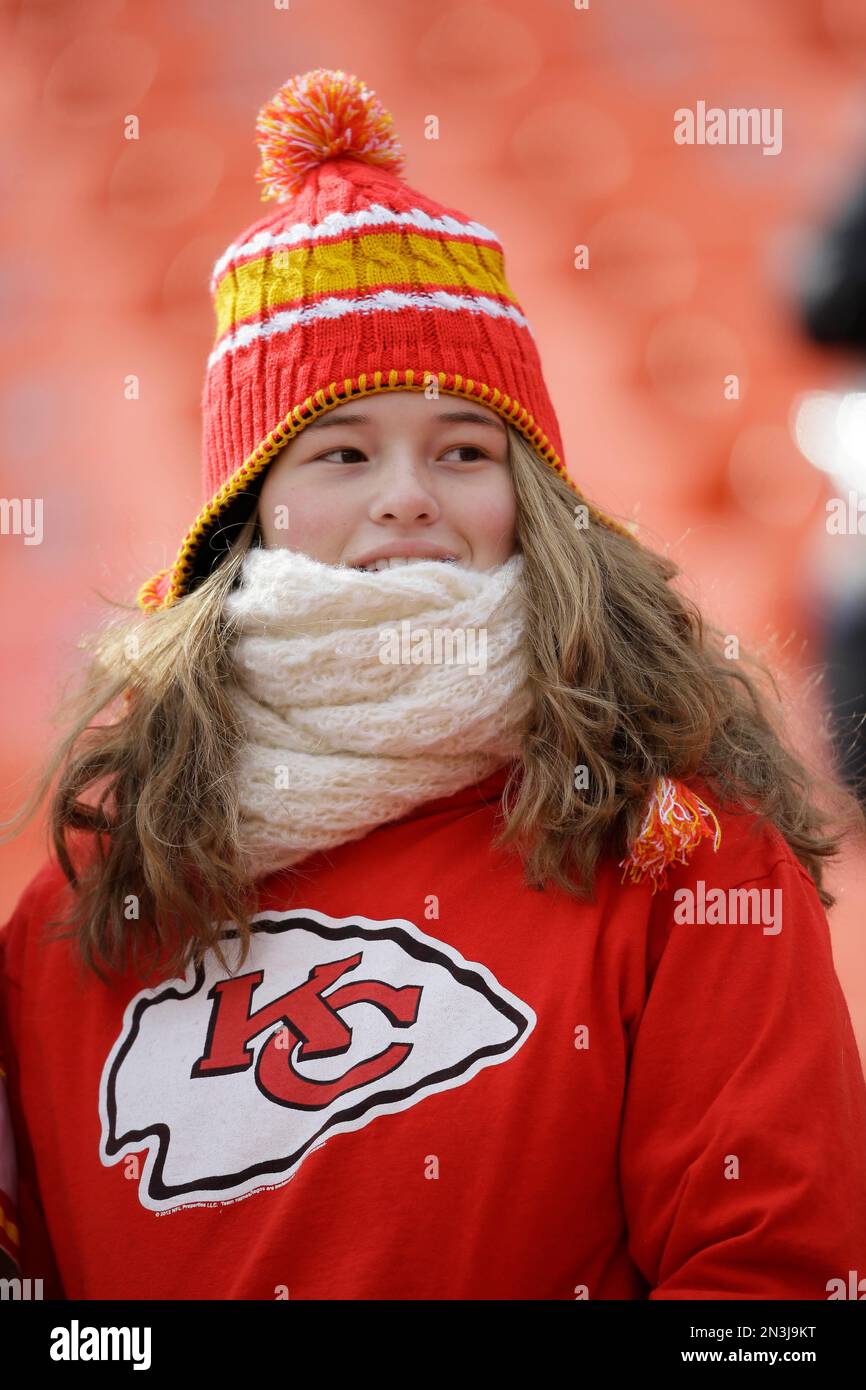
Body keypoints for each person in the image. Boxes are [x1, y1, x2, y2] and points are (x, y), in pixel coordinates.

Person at [2, 67, 866, 1302]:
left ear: (534, 507)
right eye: (342, 453)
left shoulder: (683, 855)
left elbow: (771, 1288)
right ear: (249, 516)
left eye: (463, 449)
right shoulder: (81, 911)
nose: (406, 493)